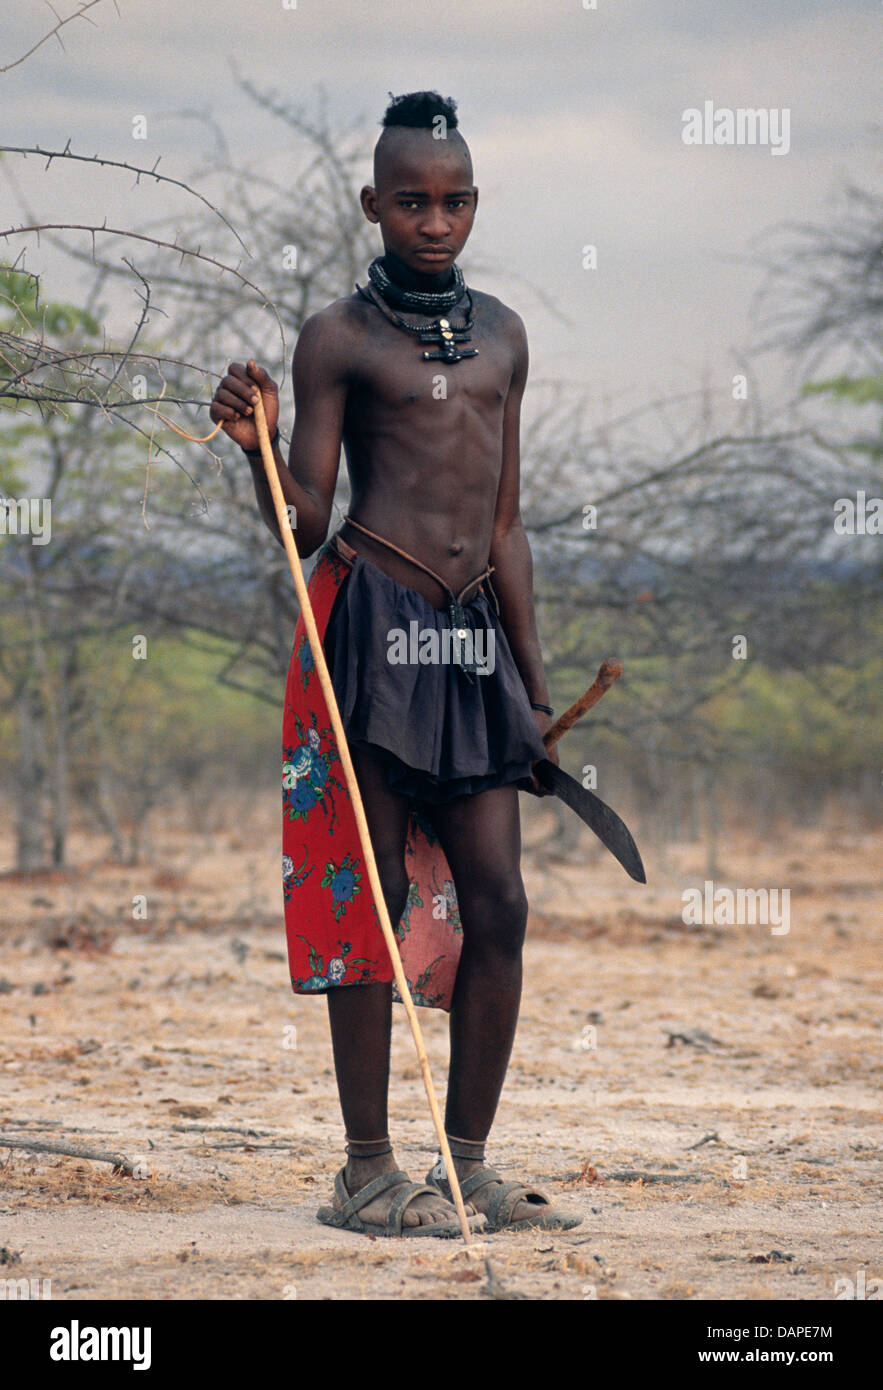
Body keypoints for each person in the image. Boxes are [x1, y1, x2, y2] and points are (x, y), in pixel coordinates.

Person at [209, 91, 579, 1238]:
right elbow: (309, 518)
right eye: (411, 201)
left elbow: (506, 524)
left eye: (454, 200)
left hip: (469, 646)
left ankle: (464, 1162)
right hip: (371, 627)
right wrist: (260, 447)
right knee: (365, 898)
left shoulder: (507, 335)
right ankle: (367, 1170)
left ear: (475, 203)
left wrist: (530, 683)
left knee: (500, 900)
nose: (435, 220)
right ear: (372, 204)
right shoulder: (338, 339)